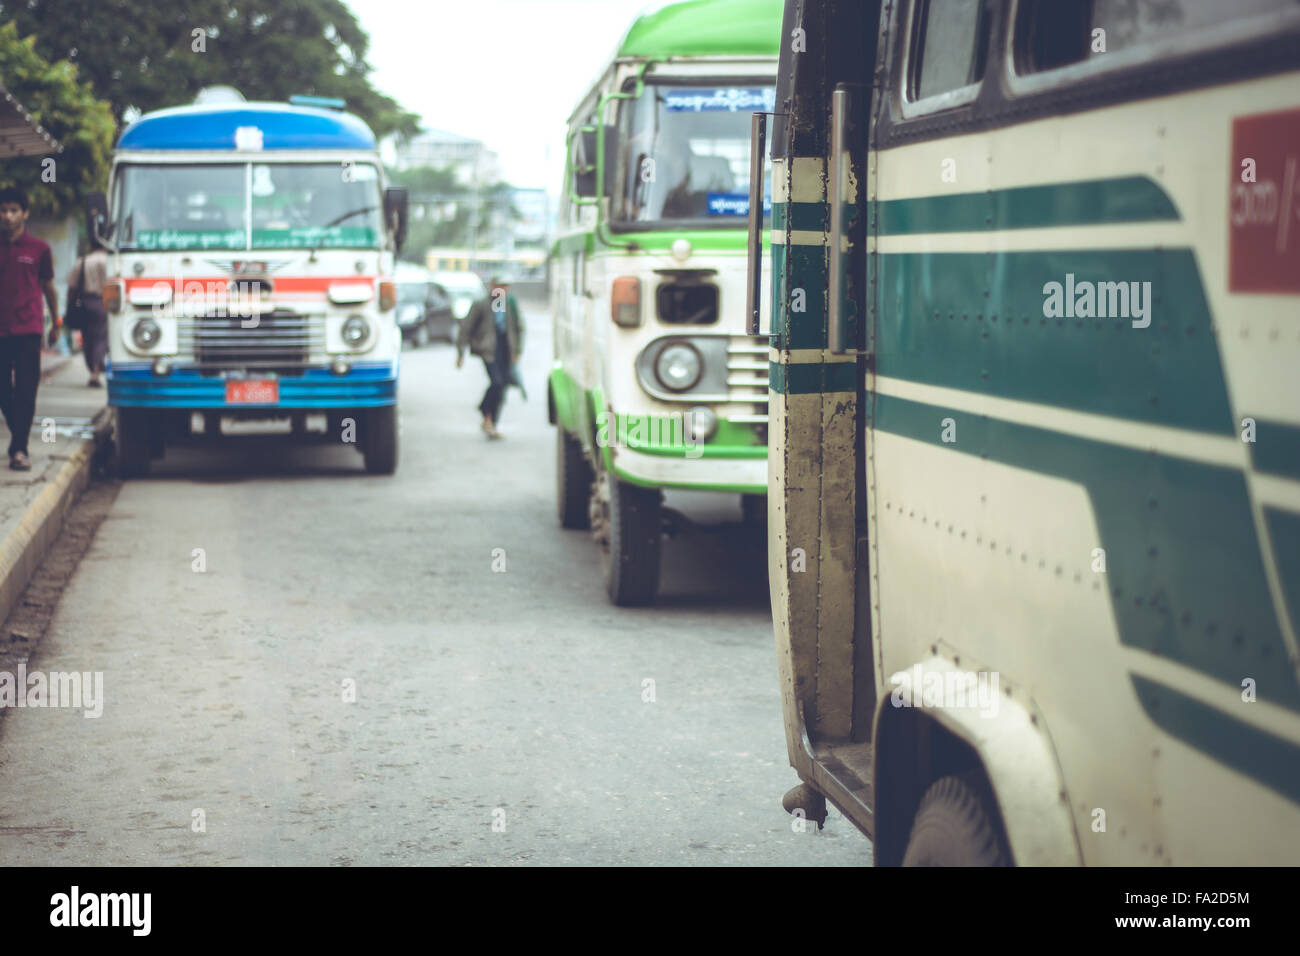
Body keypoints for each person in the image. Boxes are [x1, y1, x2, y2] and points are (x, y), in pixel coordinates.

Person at [0, 186, 60, 471]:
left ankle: (19, 449)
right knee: (3, 391)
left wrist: (56, 322)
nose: (8, 216)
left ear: (25, 213)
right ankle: (19, 435)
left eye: (13, 210)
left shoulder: (40, 249)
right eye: (3, 210)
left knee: (26, 391)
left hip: (29, 329)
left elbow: (49, 288)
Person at [455, 276, 524, 439]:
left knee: (503, 386)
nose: (503, 289)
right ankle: (485, 413)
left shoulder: (509, 304)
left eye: (505, 286)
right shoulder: (481, 304)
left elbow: (518, 328)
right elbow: (466, 327)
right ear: (492, 286)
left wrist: (517, 351)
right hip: (488, 349)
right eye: (499, 285)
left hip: (505, 349)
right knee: (497, 382)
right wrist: (460, 352)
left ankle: (491, 420)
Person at [66, 237, 109, 386]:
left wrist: (69, 305)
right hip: (104, 302)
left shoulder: (83, 261)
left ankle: (92, 369)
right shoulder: (109, 261)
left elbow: (72, 287)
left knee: (88, 338)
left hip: (85, 302)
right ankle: (95, 373)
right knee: (100, 338)